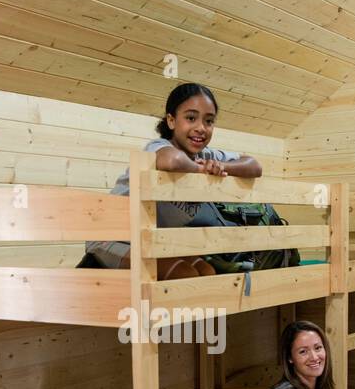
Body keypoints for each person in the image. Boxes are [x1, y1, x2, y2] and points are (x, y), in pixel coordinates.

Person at [84, 82, 263, 279]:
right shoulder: (159, 146)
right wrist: (203, 169)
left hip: (151, 240)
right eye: (191, 118)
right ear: (171, 121)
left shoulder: (208, 155)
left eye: (209, 121)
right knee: (183, 273)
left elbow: (254, 166)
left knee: (207, 272)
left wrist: (223, 167)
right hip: (112, 240)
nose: (201, 128)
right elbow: (172, 161)